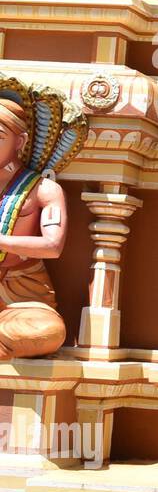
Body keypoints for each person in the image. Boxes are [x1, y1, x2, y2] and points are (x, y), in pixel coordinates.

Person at [0, 82, 86, 361]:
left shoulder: (44, 191)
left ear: (20, 142)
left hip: (22, 298)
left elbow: (52, 245)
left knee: (49, 332)